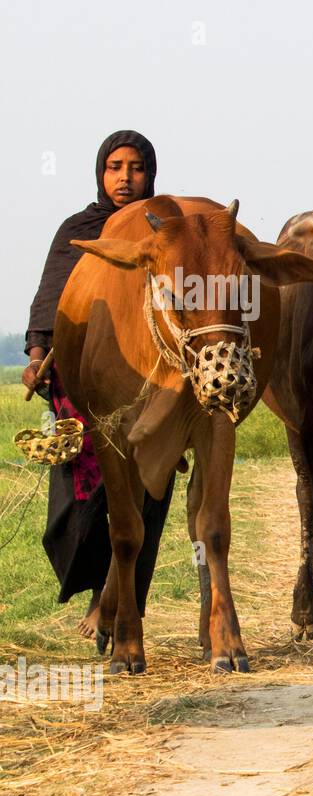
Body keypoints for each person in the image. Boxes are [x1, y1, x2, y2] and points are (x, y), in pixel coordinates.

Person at [20, 130, 174, 642]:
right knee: (80, 500)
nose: (125, 178)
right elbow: (54, 299)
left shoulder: (169, 229)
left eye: (136, 167)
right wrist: (39, 354)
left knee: (142, 494)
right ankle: (95, 589)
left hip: (151, 382)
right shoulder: (79, 229)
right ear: (100, 172)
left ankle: (116, 599)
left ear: (152, 173)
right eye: (115, 167)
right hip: (82, 379)